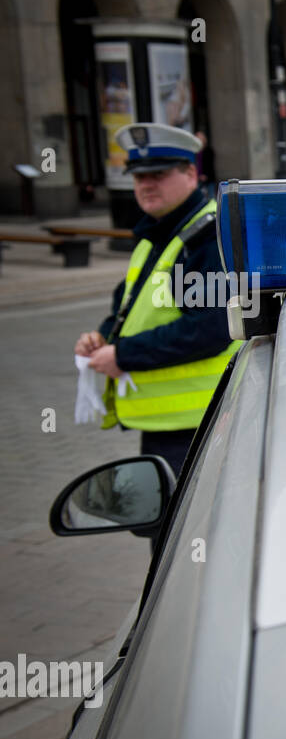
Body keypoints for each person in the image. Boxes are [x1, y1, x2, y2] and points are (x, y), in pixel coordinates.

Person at [72, 123, 239, 478]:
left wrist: (123, 355)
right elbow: (130, 306)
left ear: (190, 174)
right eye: (138, 176)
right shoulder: (160, 232)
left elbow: (210, 328)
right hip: (174, 424)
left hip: (199, 424)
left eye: (158, 175)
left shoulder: (206, 236)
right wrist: (103, 336)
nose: (146, 184)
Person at [194, 130, 215, 198]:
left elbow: (209, 165)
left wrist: (205, 175)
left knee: (211, 197)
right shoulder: (194, 151)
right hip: (197, 179)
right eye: (197, 138)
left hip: (208, 178)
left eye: (200, 138)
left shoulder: (208, 151)